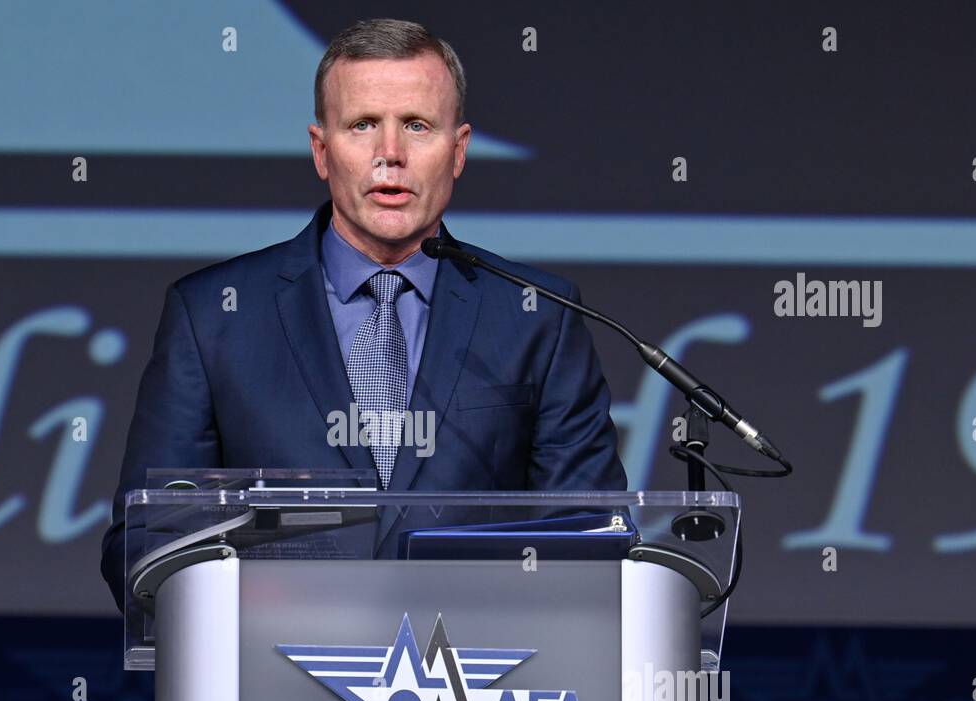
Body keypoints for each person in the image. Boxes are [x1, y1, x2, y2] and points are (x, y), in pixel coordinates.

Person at [100, 18, 625, 611]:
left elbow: (590, 540)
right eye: (363, 125)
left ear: (458, 151)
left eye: (418, 126)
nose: (390, 155)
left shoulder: (538, 317)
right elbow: (144, 544)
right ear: (322, 151)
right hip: (271, 682)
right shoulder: (213, 316)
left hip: (481, 688)